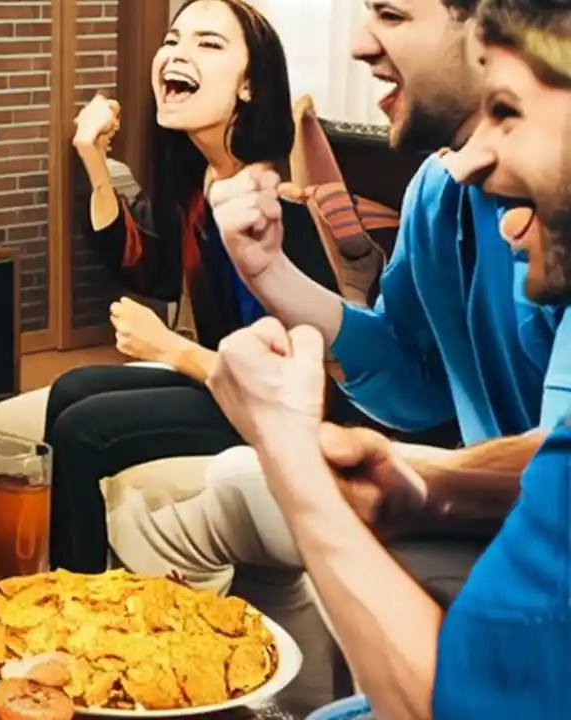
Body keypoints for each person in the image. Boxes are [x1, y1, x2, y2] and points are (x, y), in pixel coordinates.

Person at [116, 0, 571, 612]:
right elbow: (415, 390)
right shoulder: (436, 191)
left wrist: (412, 477)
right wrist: (272, 274)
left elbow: (557, 464)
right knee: (234, 491)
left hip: (540, 538)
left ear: (484, 27)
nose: (359, 44)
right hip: (506, 523)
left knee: (235, 492)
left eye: (391, 14)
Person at [46, 0, 346, 573]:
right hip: (227, 382)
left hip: (284, 408)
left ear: (252, 85)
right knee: (71, 390)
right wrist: (92, 159)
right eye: (174, 39)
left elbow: (296, 387)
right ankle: (70, 585)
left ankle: (78, 610)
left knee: (82, 429)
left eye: (208, 44)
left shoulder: (271, 204)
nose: (177, 54)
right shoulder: (201, 179)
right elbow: (148, 269)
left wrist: (169, 349)